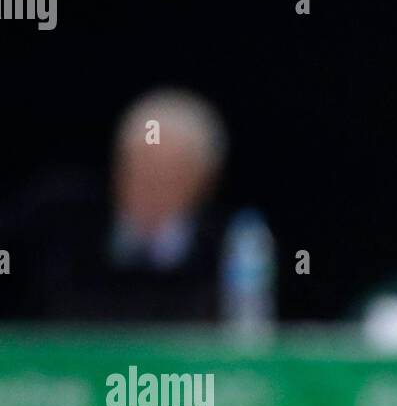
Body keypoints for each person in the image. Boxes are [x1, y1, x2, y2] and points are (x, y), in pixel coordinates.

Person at [0, 88, 231, 323]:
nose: (151, 185)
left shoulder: (229, 253)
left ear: (204, 181)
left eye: (169, 173)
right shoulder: (56, 232)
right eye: (139, 167)